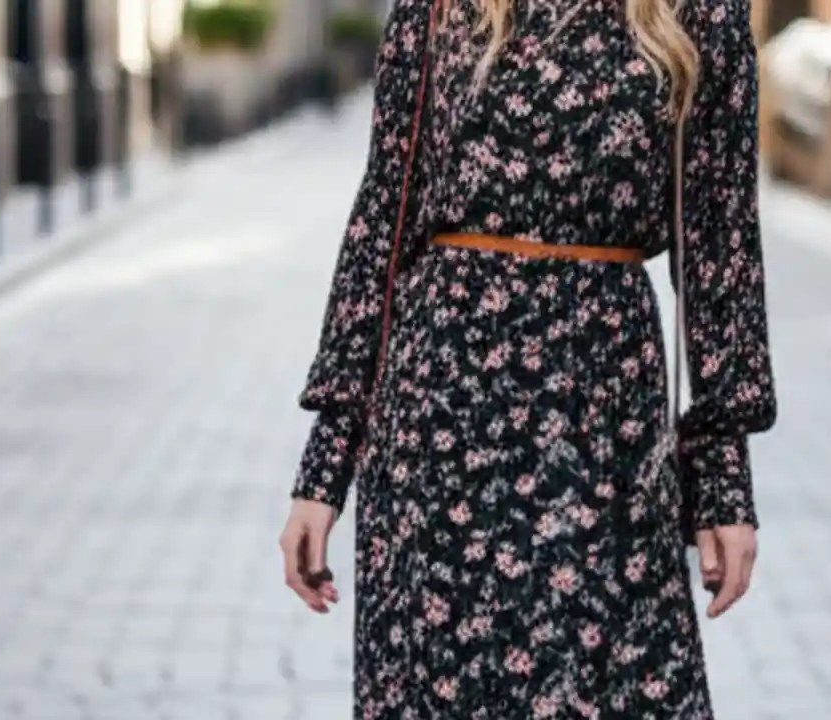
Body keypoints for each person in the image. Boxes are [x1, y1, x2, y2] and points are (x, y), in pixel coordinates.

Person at [279, 0, 778, 713]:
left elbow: (720, 243)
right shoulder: (437, 8)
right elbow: (384, 219)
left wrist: (723, 477)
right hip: (441, 431)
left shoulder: (697, 13)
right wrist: (325, 468)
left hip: (606, 428)